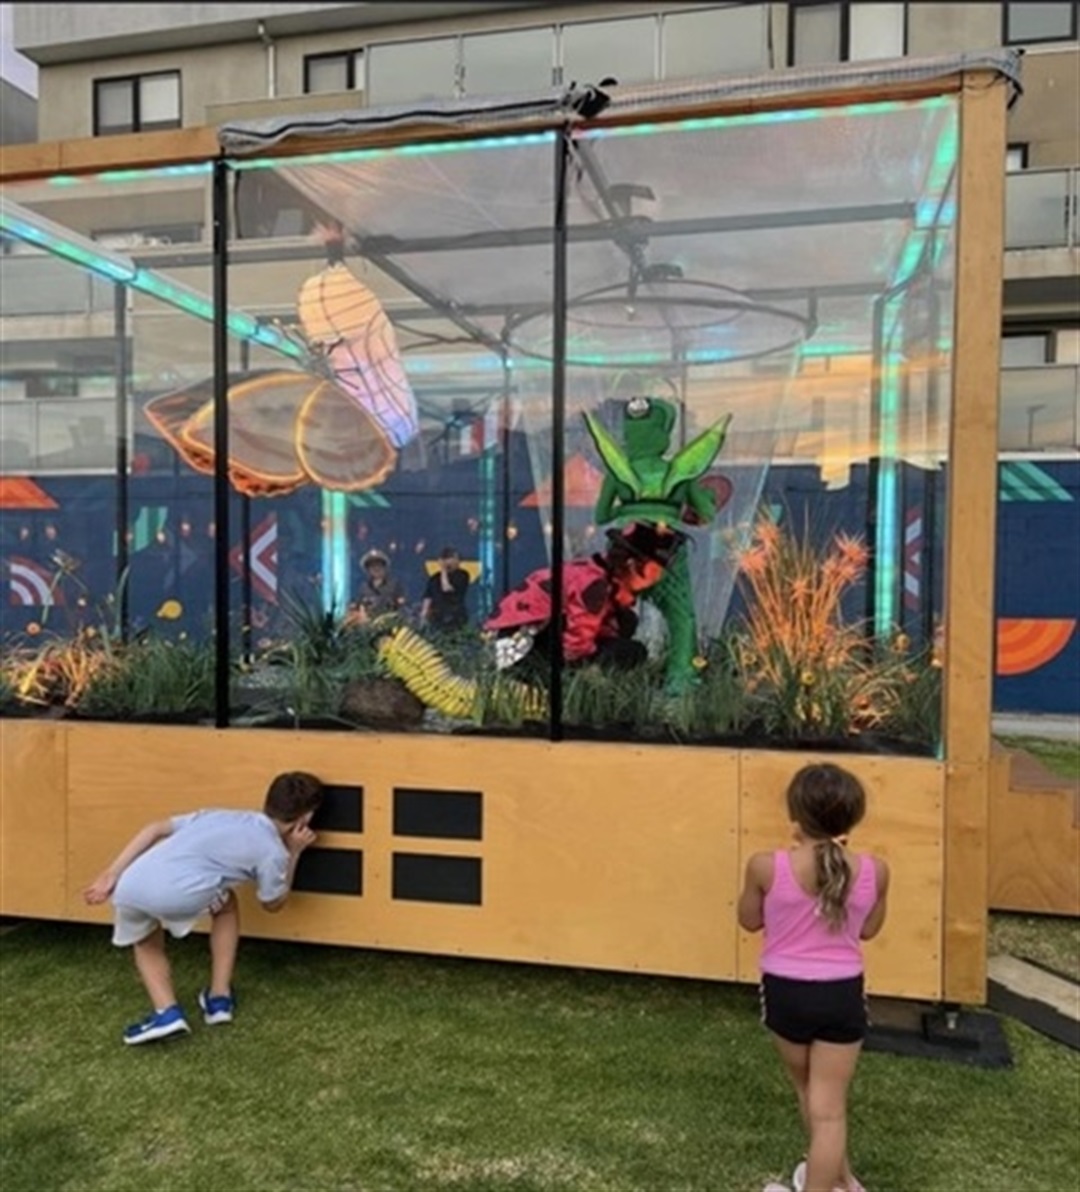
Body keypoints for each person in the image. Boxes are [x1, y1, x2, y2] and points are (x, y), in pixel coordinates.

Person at [83, 771, 324, 1046]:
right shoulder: (272, 852)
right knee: (226, 906)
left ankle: (167, 1011)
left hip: (132, 883)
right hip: (180, 893)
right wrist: (293, 853)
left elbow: (154, 829)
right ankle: (218, 997)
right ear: (305, 818)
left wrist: (112, 872)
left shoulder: (220, 815)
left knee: (145, 942)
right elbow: (273, 903)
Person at [737, 763, 890, 1192]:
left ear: (795, 813)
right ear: (854, 816)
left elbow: (748, 920)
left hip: (786, 994)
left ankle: (831, 1183)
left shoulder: (766, 866)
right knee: (828, 1108)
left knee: (811, 1093)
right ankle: (841, 1180)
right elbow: (868, 930)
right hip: (841, 995)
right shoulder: (875, 871)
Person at [348, 548, 406, 623]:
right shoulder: (364, 587)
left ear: (384, 567)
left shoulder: (395, 585)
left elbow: (402, 606)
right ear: (367, 570)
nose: (376, 569)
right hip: (369, 628)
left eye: (379, 565)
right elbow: (359, 607)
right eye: (372, 566)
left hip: (391, 627)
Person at [420, 546, 470, 632]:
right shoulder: (434, 578)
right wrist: (424, 615)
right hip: (437, 619)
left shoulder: (462, 575)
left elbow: (446, 588)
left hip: (455, 618)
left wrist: (444, 570)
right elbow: (428, 597)